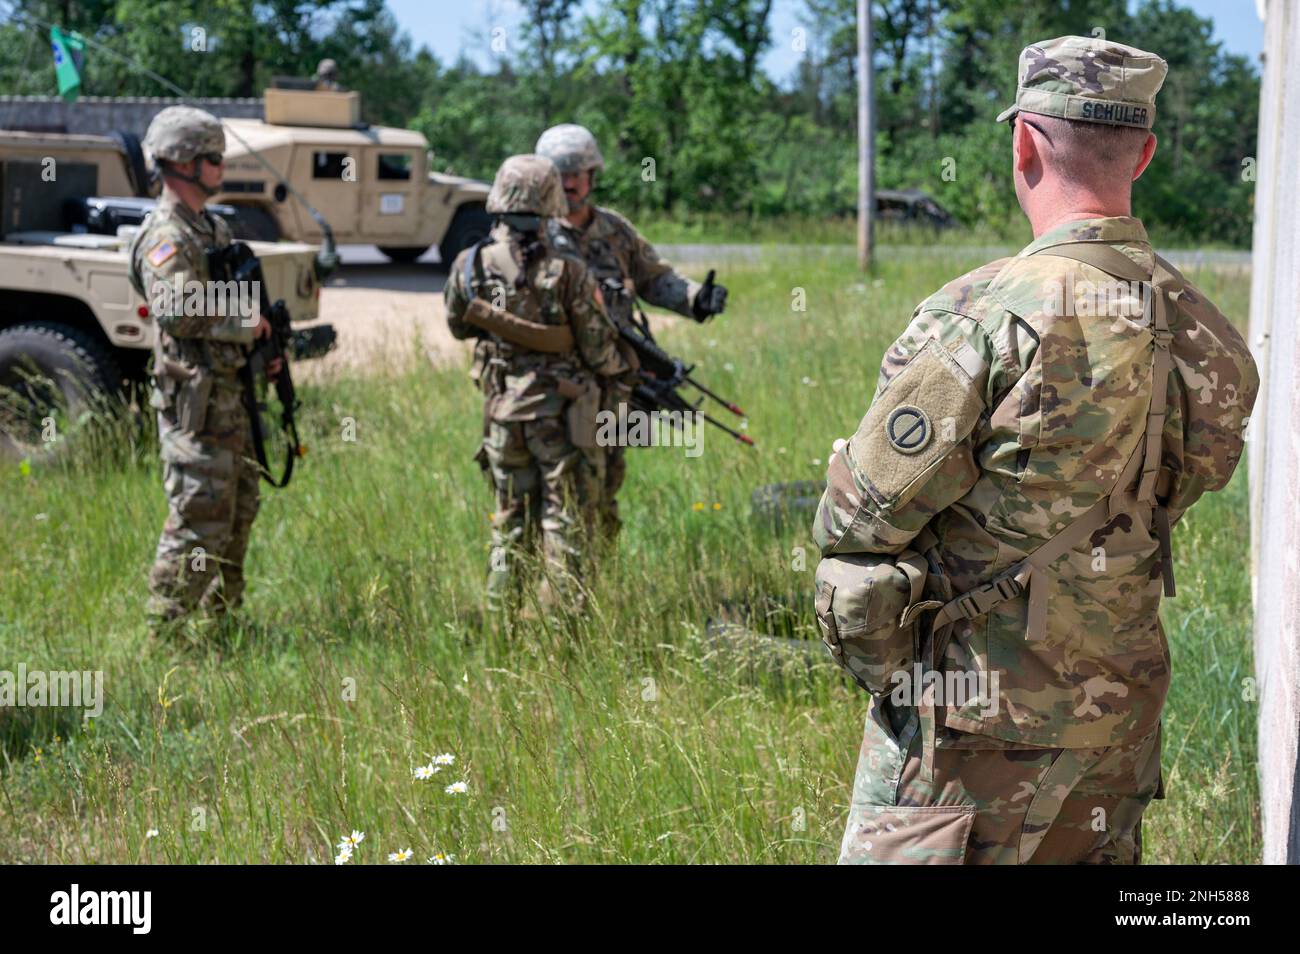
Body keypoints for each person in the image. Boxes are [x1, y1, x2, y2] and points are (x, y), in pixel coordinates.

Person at [814, 36, 1258, 864]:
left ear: (1023, 143)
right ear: (1146, 153)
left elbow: (856, 520)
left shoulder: (981, 313)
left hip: (967, 734)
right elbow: (1185, 487)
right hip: (1115, 725)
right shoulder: (1211, 335)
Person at [444, 154, 633, 612]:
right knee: (565, 527)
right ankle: (562, 644)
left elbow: (458, 326)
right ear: (550, 203)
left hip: (503, 418)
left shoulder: (470, 265)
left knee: (509, 526)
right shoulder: (568, 272)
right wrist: (623, 367)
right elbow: (597, 351)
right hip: (564, 422)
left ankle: (501, 633)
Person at [535, 123, 728, 540]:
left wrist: (697, 298)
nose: (568, 183)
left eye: (577, 173)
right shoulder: (534, 236)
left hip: (618, 383)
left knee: (608, 481)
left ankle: (602, 585)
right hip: (560, 385)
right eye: (559, 174)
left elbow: (655, 279)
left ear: (592, 176)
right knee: (562, 489)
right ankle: (558, 584)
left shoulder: (614, 230)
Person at [128, 106, 280, 636]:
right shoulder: (166, 236)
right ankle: (164, 633)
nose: (222, 167)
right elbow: (175, 307)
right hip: (196, 408)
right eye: (215, 158)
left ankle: (221, 624)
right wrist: (249, 319)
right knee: (198, 521)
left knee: (238, 513)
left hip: (232, 399)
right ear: (185, 164)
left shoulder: (212, 227)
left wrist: (267, 343)